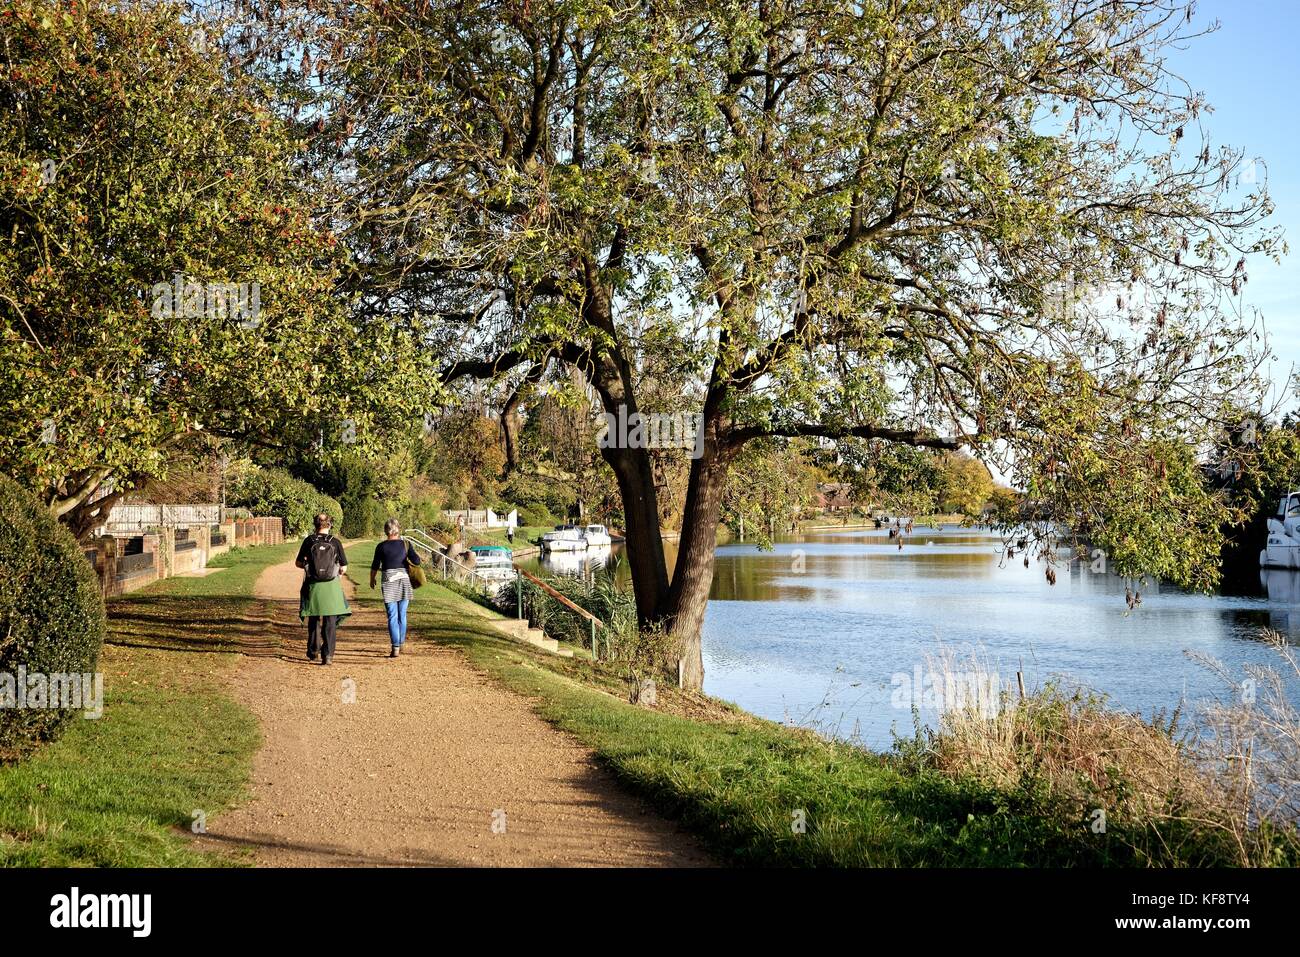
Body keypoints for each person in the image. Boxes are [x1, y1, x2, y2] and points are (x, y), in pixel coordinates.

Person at [295, 513, 350, 665]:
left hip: (313, 585)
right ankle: (328, 655)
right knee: (330, 621)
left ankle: (313, 651)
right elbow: (344, 567)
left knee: (313, 618)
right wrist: (337, 570)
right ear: (330, 525)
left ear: (315, 525)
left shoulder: (309, 541)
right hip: (331, 586)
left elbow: (298, 563)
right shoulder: (336, 542)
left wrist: (308, 565)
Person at [370, 518, 421, 658]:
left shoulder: (381, 546)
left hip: (388, 581)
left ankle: (395, 647)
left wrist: (372, 578)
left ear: (386, 530)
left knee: (392, 615)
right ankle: (401, 642)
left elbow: (375, 565)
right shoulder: (406, 544)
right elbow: (417, 561)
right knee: (402, 614)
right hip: (404, 580)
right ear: (398, 529)